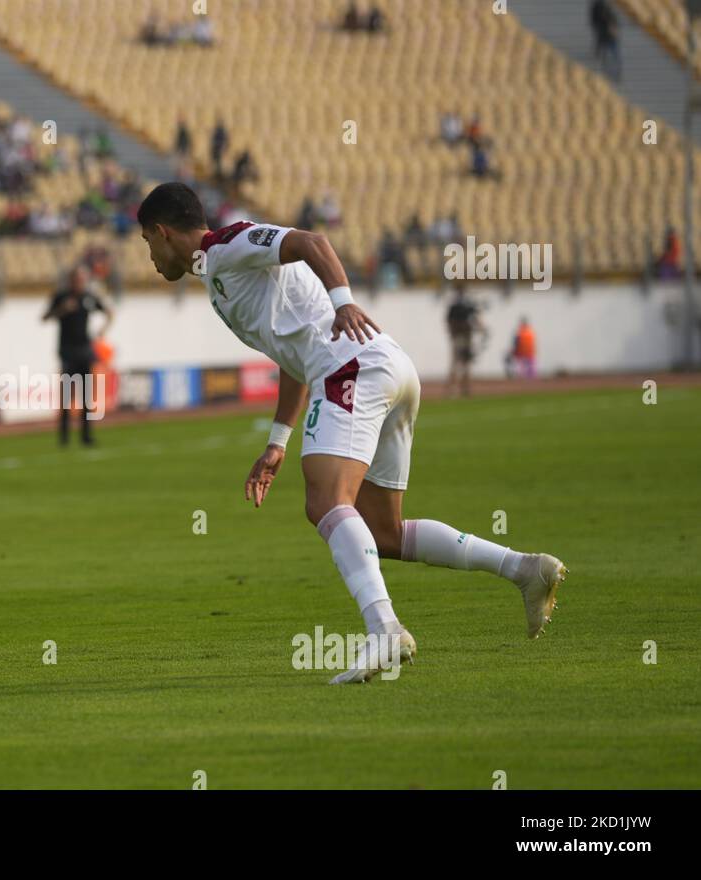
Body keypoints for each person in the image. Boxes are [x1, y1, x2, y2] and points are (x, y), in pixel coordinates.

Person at [136, 182, 566, 684]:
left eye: (147, 241)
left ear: (164, 233)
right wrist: (278, 441)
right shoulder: (219, 275)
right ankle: (523, 569)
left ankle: (384, 630)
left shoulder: (225, 245)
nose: (149, 256)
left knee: (325, 502)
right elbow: (292, 359)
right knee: (383, 532)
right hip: (384, 367)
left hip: (352, 365)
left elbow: (312, 242)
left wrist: (343, 301)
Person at [42, 264, 113, 446]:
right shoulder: (62, 297)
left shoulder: (88, 297)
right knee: (67, 396)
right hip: (67, 352)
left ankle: (86, 436)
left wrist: (103, 330)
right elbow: (46, 317)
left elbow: (108, 312)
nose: (80, 283)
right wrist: (63, 310)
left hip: (85, 351)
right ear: (71, 280)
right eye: (77, 279)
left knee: (87, 397)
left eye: (82, 279)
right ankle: (64, 438)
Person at [446, 287, 486, 397]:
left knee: (462, 363)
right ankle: (458, 389)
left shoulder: (459, 306)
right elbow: (475, 319)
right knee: (459, 363)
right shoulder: (459, 306)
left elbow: (475, 318)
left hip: (463, 336)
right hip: (461, 336)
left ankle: (463, 388)